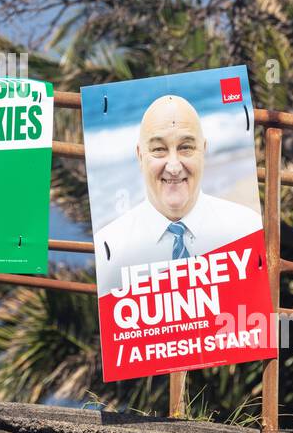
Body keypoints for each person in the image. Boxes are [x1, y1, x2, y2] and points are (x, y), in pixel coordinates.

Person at [92, 94, 260, 293]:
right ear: (140, 155)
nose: (173, 166)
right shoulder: (109, 248)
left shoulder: (247, 229)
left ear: (204, 150)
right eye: (159, 149)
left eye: (186, 147)